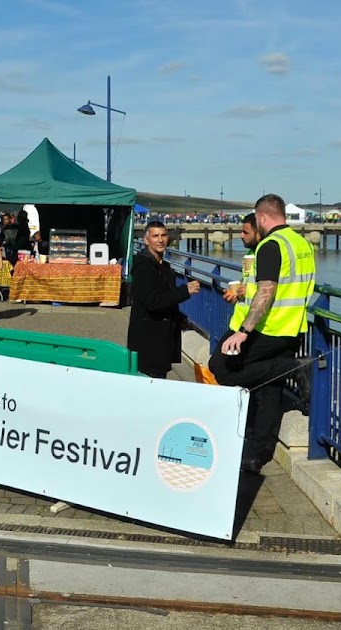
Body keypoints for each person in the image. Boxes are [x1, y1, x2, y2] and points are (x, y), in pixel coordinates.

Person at [210, 194, 316, 475]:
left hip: (270, 328)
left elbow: (267, 291)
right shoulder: (302, 244)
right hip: (294, 327)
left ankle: (294, 367)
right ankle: (257, 455)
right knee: (269, 390)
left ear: (263, 217)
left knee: (221, 367)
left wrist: (244, 331)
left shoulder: (271, 245)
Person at [126, 221, 200, 379]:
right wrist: (184, 291)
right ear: (146, 240)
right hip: (148, 341)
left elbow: (166, 298)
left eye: (163, 235)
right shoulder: (143, 268)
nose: (160, 240)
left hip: (162, 341)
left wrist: (179, 318)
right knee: (150, 384)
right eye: (155, 236)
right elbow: (153, 302)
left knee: (160, 379)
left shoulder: (164, 267)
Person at [223, 213, 261, 332]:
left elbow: (272, 288)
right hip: (239, 322)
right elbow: (247, 281)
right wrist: (235, 293)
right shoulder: (250, 254)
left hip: (254, 326)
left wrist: (248, 290)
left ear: (259, 234)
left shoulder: (266, 255)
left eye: (246, 232)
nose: (241, 235)